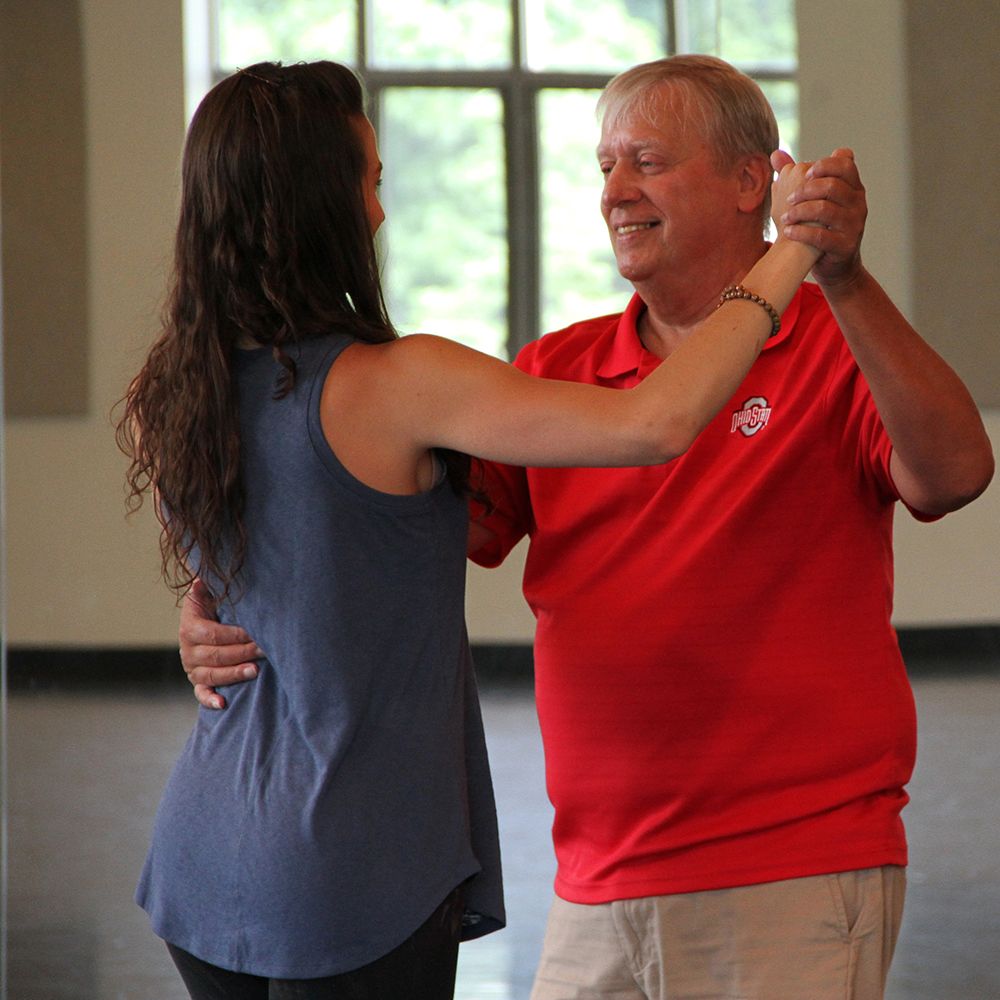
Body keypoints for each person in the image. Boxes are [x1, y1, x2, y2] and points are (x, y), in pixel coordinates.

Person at [177, 56, 994, 1000]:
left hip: (788, 868)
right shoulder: (555, 368)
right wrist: (222, 608)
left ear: (749, 182)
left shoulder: (836, 345)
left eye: (647, 161)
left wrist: (843, 280)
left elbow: (956, 474)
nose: (615, 192)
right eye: (606, 165)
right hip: (598, 884)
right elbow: (372, 526)